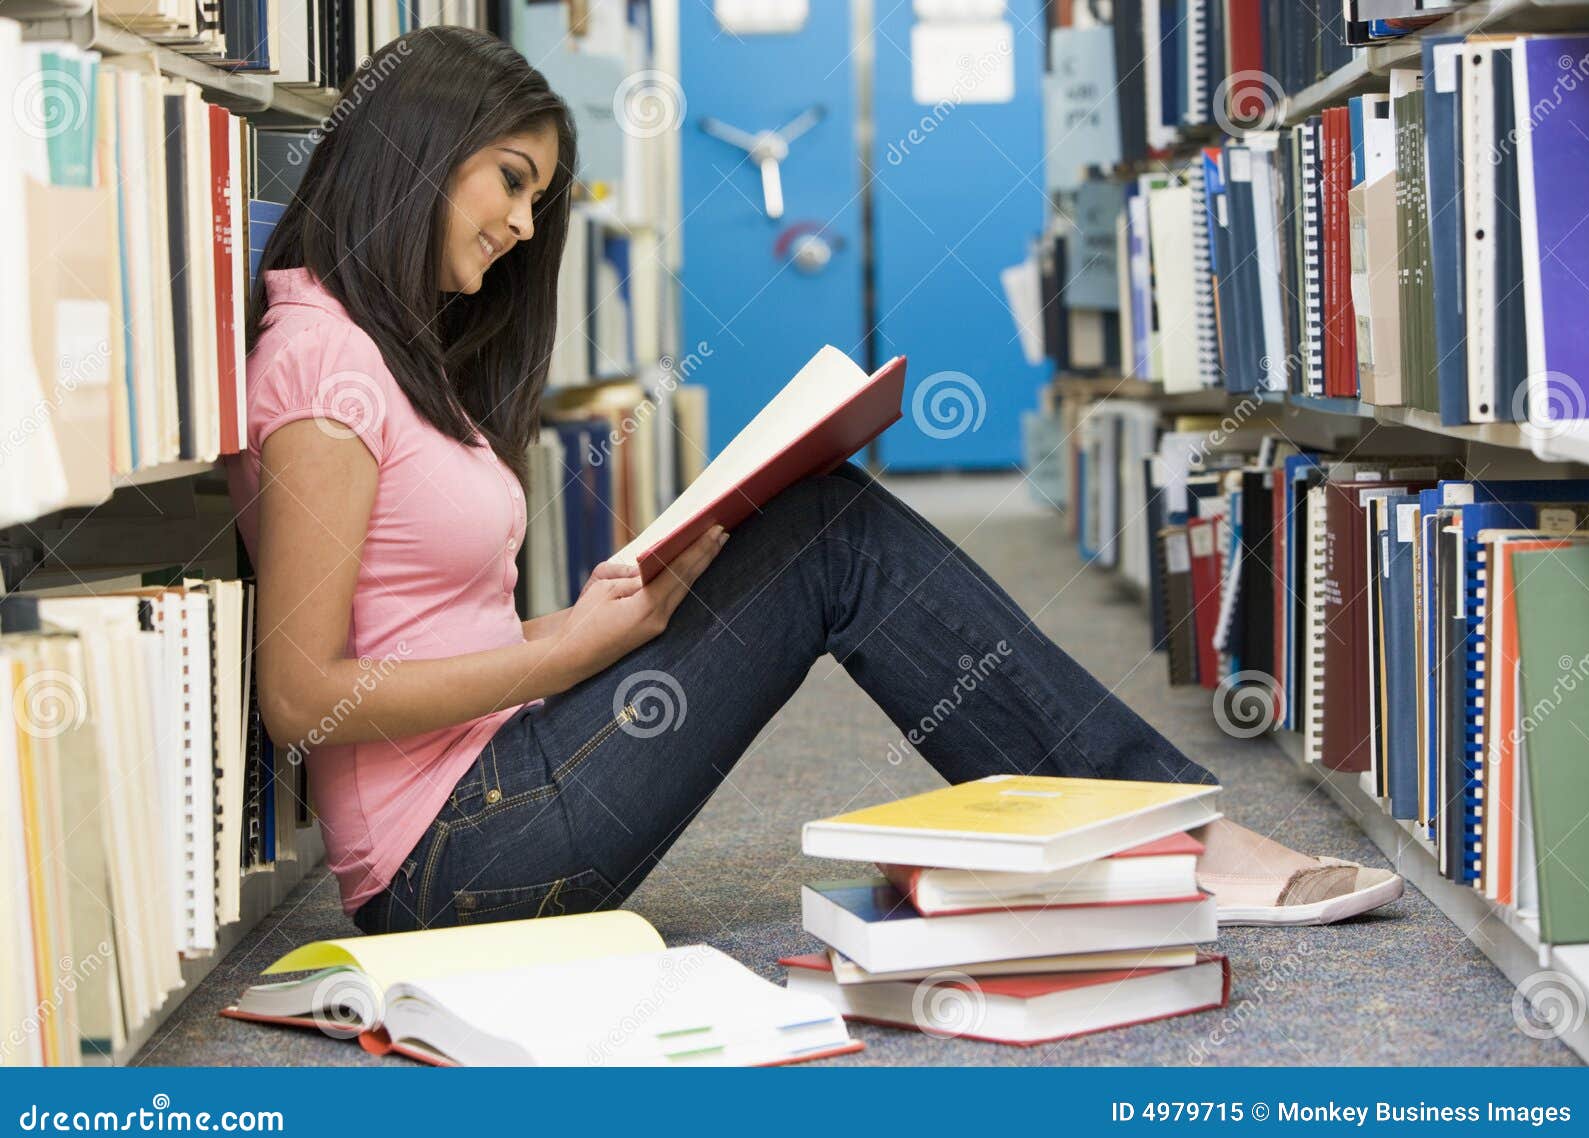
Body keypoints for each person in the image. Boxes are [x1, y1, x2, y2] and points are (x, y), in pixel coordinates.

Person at [226, 27, 1401, 938]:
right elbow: (301, 694)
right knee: (829, 532)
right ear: (420, 147)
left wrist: (583, 620)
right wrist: (572, 652)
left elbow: (419, 626)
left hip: (498, 778)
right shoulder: (322, 363)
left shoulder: (374, 350)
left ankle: (1146, 828)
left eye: (540, 197)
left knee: (812, 520)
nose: (527, 226)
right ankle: (1164, 835)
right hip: (453, 860)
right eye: (510, 181)